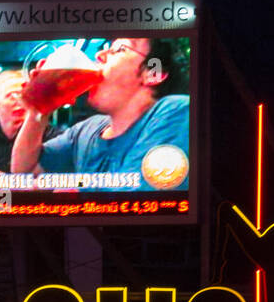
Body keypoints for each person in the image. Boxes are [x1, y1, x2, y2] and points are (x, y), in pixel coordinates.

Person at [10, 37, 189, 190]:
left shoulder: (176, 112)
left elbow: (136, 202)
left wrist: (69, 186)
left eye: (119, 49)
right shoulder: (87, 130)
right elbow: (24, 172)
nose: (99, 55)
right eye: (105, 48)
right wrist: (39, 112)